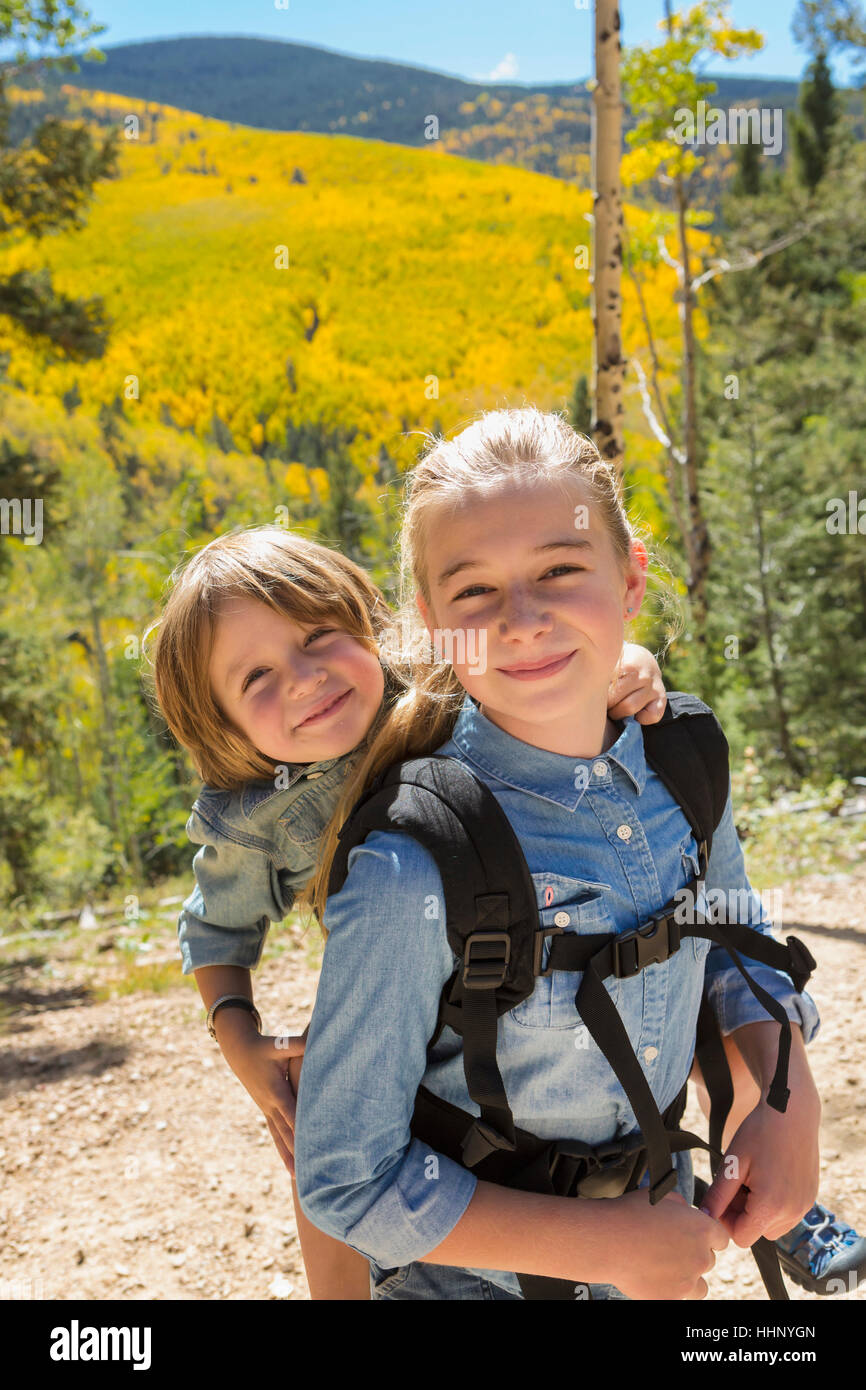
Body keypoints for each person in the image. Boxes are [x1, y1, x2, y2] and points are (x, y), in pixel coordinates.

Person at [293, 407, 842, 1300]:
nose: (521, 619)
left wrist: (786, 1094)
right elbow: (345, 1179)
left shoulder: (682, 758)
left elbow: (733, 931)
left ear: (630, 580)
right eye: (473, 592)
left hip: (656, 1254)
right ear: (433, 621)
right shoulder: (413, 861)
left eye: (559, 569)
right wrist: (604, 1249)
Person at [146, 521, 669, 1299]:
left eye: (320, 635)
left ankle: (768, 1197)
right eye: (255, 679)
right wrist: (242, 1045)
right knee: (328, 1133)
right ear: (222, 727)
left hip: (527, 951)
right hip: (394, 982)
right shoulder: (257, 815)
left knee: (684, 984)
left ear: (372, 624)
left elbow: (546, 657)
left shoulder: (444, 679)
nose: (302, 678)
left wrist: (630, 665)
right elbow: (215, 927)